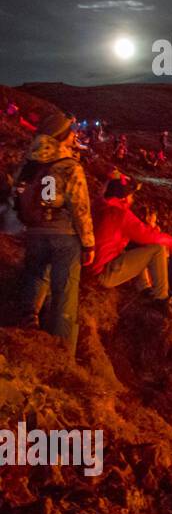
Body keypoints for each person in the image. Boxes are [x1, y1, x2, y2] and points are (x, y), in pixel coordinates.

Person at [15, 112, 96, 354]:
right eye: (70, 132)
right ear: (61, 135)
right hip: (64, 234)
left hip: (35, 230)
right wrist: (88, 244)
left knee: (35, 275)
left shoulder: (28, 164)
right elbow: (81, 209)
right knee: (64, 291)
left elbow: (17, 196)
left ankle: (27, 321)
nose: (74, 135)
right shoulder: (69, 166)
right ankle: (62, 351)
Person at [90, 178, 172, 306]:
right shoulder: (120, 213)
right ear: (124, 198)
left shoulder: (99, 204)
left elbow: (137, 233)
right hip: (104, 272)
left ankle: (144, 288)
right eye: (131, 195)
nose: (133, 198)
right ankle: (161, 299)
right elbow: (147, 236)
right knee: (157, 250)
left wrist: (150, 229)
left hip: (93, 265)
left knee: (138, 246)